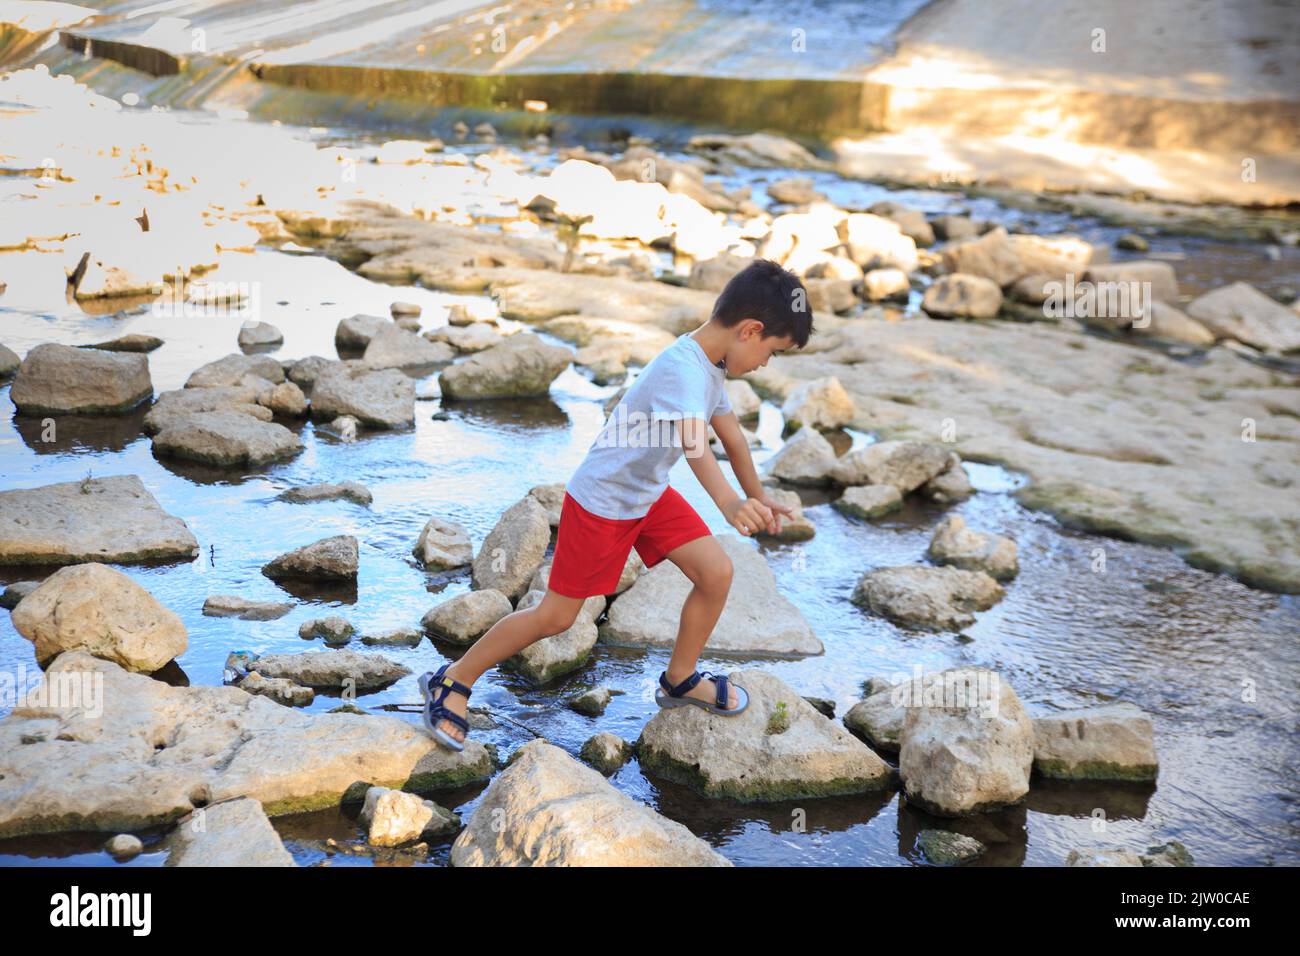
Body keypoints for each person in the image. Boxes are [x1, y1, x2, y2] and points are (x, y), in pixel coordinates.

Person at [418, 258, 815, 750]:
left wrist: (759, 496)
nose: (764, 365)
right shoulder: (681, 370)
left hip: (646, 494)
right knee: (557, 617)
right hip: (604, 501)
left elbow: (731, 437)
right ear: (751, 331)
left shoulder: (710, 367)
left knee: (716, 573)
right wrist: (729, 502)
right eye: (771, 353)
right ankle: (453, 679)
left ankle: (680, 680)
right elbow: (695, 445)